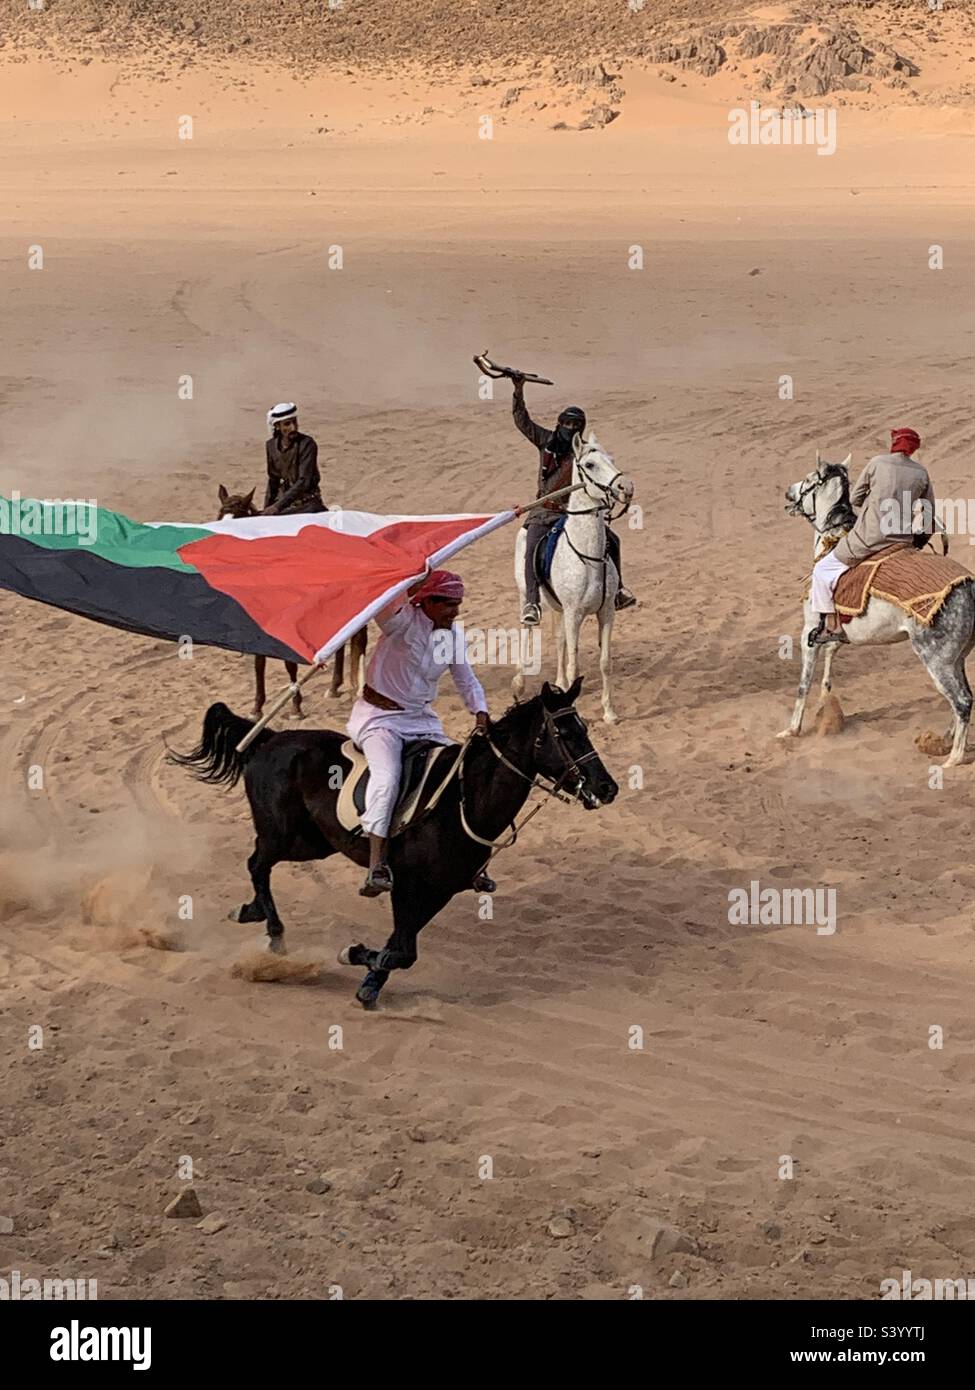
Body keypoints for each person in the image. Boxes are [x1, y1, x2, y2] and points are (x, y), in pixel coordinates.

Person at [346, 570, 493, 897]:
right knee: (387, 779)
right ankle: (376, 864)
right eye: (448, 604)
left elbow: (466, 681)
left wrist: (480, 712)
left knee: (462, 771)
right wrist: (411, 578)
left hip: (422, 719)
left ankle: (474, 861)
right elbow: (383, 602)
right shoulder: (401, 623)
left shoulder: (451, 638)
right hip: (379, 720)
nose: (454, 611)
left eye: (457, 604)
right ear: (426, 602)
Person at [511, 375, 635, 625]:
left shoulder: (587, 451)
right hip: (544, 512)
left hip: (574, 514)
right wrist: (518, 390)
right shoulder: (546, 441)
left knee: (613, 540)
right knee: (532, 546)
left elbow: (602, 475)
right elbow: (522, 422)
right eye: (566, 423)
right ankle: (533, 603)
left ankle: (617, 591)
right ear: (559, 424)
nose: (570, 428)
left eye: (576, 425)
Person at [809, 427, 934, 646]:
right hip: (902, 542)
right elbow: (929, 513)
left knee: (822, 570)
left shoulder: (877, 463)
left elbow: (855, 499)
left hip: (868, 541)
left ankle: (831, 625)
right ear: (913, 449)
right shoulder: (921, 473)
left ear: (894, 444)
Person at [263, 402, 326, 515]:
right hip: (284, 505)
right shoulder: (271, 446)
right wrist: (267, 507)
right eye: (287, 424)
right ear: (278, 426)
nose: (293, 427)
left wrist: (277, 506)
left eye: (294, 422)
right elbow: (273, 480)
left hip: (308, 504)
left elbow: (303, 481)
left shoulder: (307, 444)